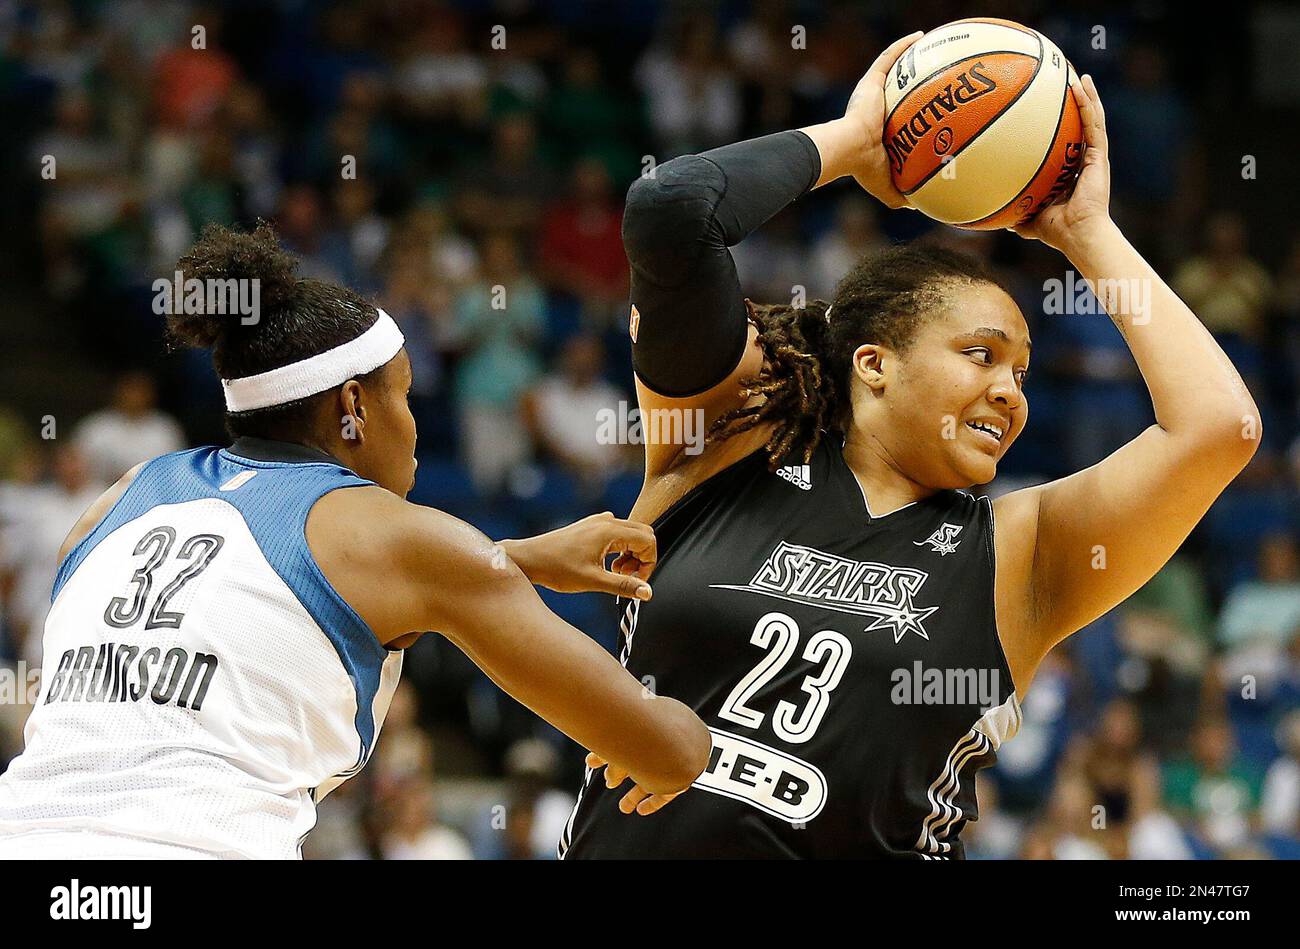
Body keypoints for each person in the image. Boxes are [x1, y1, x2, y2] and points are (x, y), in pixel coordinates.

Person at [560, 34, 1261, 859]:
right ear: (874, 363)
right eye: (981, 355)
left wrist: (1084, 234)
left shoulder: (1017, 555)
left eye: (1024, 372)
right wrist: (859, 141)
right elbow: (672, 211)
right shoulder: (722, 443)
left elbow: (1220, 427)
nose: (1010, 390)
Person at [0, 224, 709, 860]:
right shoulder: (404, 542)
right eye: (402, 393)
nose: (416, 421)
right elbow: (671, 752)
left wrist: (509, 558)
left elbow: (261, 583)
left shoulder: (117, 500)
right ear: (352, 408)